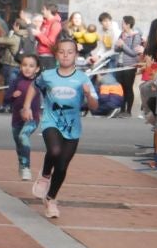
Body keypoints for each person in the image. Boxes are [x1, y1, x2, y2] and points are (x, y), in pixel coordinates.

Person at [29, 39, 97, 220]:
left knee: (61, 166)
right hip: (50, 121)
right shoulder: (48, 75)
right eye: (62, 52)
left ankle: (51, 199)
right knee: (54, 150)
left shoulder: (83, 78)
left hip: (72, 127)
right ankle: (45, 174)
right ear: (56, 55)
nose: (66, 55)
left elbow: (95, 106)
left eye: (70, 52)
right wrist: (27, 106)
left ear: (76, 55)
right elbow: (34, 86)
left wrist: (88, 95)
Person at [8, 53, 41, 182]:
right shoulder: (16, 81)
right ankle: (22, 163)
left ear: (37, 69)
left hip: (32, 118)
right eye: (25, 65)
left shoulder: (39, 82)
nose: (27, 68)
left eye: (31, 66)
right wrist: (13, 95)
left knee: (23, 136)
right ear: (20, 67)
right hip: (16, 119)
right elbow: (6, 99)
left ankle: (26, 167)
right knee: (19, 144)